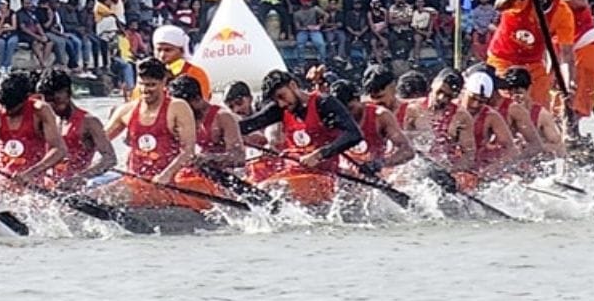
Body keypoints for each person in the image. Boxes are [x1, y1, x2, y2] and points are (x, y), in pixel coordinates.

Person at [237, 69, 363, 210]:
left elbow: (354, 134)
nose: (281, 104)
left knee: (267, 189)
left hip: (321, 177)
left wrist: (320, 154)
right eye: (275, 100)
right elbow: (247, 125)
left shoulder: (324, 103)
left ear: (293, 85)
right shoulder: (281, 109)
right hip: (291, 175)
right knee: (247, 189)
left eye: (281, 96)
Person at [101, 58, 209, 210]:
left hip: (169, 184)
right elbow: (99, 142)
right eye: (142, 84)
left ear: (164, 82)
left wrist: (167, 174)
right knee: (95, 191)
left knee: (109, 195)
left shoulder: (178, 107)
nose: (146, 90)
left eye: (152, 85)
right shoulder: (126, 110)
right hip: (135, 182)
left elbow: (188, 152)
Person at [486, 0, 574, 107]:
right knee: (503, 106)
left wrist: (568, 85)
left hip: (532, 64)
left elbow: (566, 54)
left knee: (540, 108)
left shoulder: (563, 12)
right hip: (502, 60)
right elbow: (499, 5)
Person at [37, 69, 116, 187]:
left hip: (78, 187)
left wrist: (78, 179)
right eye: (48, 103)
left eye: (56, 101)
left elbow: (109, 159)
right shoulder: (49, 122)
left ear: (68, 93)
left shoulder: (89, 121)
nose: (53, 107)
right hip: (54, 184)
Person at [0, 71, 67, 185]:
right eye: (4, 105)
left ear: (26, 98)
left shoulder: (40, 110)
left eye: (12, 106)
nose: (7, 110)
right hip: (1, 177)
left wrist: (30, 173)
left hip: (32, 180)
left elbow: (60, 150)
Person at [330, 79, 412, 176]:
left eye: (350, 109)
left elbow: (407, 151)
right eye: (341, 112)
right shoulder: (330, 117)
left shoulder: (380, 116)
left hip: (376, 177)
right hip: (345, 177)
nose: (347, 115)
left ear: (358, 100)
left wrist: (379, 164)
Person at [168, 75, 244, 169]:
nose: (182, 111)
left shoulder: (223, 117)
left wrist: (208, 158)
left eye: (185, 107)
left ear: (197, 99)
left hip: (223, 174)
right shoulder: (180, 117)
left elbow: (238, 157)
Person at [461, 70, 518, 185]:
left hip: (476, 172)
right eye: (472, 98)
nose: (475, 105)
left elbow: (511, 150)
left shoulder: (491, 116)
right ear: (464, 92)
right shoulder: (451, 110)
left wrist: (491, 170)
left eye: (481, 101)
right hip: (452, 166)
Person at [498, 66, 564, 161]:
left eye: (519, 93)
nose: (514, 98)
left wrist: (535, 146)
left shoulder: (541, 115)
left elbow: (559, 148)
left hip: (533, 163)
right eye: (510, 94)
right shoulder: (500, 112)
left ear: (529, 89)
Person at [151, 24, 211, 99]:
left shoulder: (195, 73)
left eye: (168, 50)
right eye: (159, 50)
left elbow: (203, 101)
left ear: (182, 50)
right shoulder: (149, 73)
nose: (162, 55)